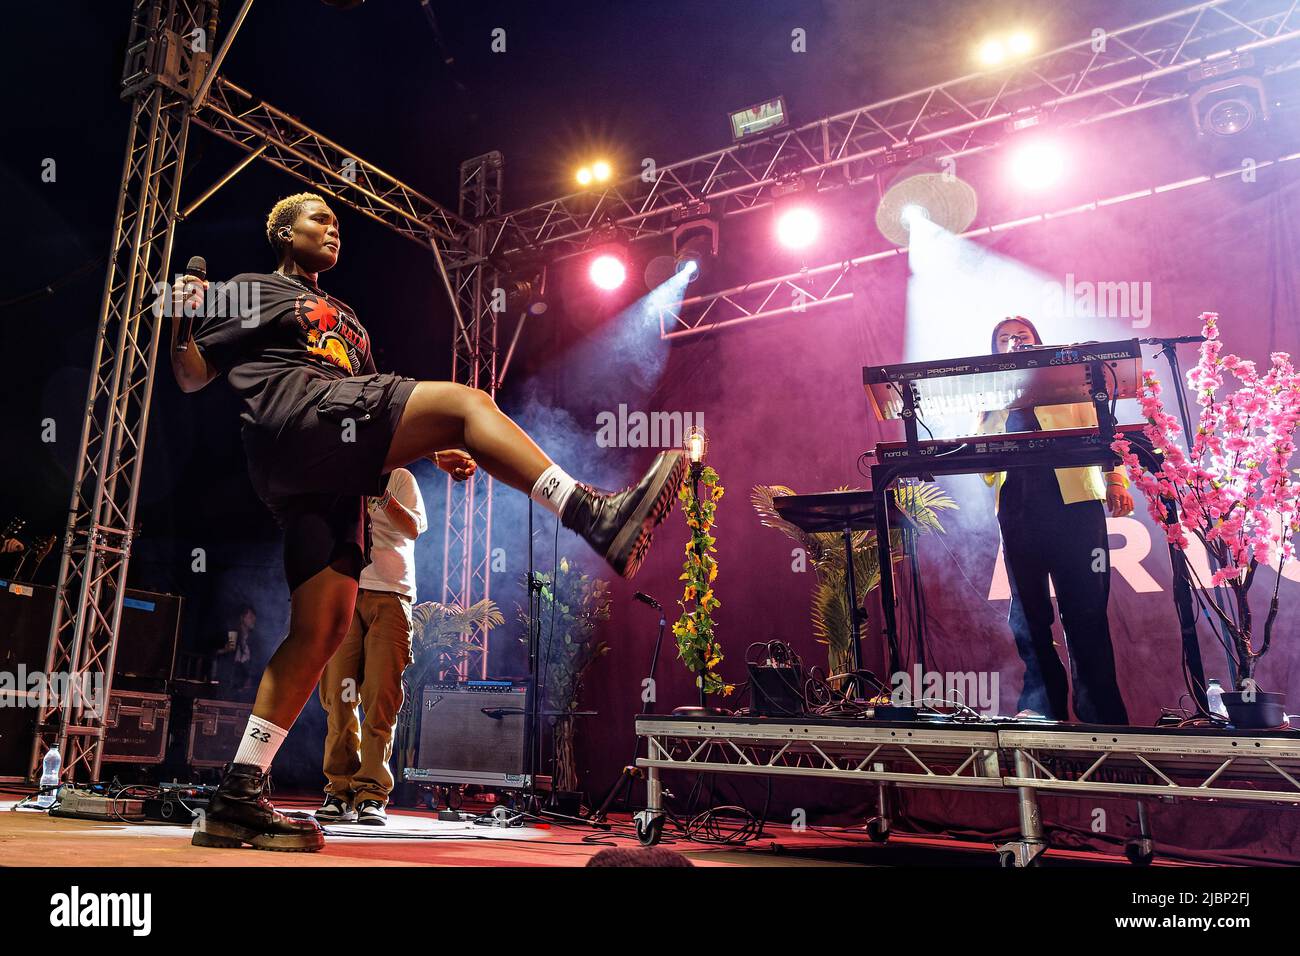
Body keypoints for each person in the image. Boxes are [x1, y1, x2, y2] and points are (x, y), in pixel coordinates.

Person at [169, 193, 686, 851]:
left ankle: (236, 795)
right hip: (297, 422)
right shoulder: (254, 289)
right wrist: (182, 321)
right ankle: (592, 511)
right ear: (280, 232)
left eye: (336, 222)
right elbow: (191, 375)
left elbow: (374, 417)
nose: (332, 229)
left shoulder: (349, 319)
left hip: (331, 464)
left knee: (323, 627)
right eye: (316, 219)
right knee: (470, 401)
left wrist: (433, 441)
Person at [981, 316, 1133, 725]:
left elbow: (1105, 433)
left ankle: (1100, 713)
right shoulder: (988, 392)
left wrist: (1115, 479)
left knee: (1085, 610)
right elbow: (983, 460)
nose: (1014, 342)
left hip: (1074, 504)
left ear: (1039, 341)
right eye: (1005, 339)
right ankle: (1043, 706)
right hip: (1018, 507)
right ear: (995, 350)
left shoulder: (1072, 378)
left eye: (1023, 336)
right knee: (1028, 617)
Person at [315, 466, 426, 826]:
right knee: (340, 695)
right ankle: (339, 789)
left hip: (391, 595)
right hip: (344, 591)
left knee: (381, 697)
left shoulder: (400, 478)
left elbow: (413, 527)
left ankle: (372, 793)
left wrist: (380, 494)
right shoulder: (341, 474)